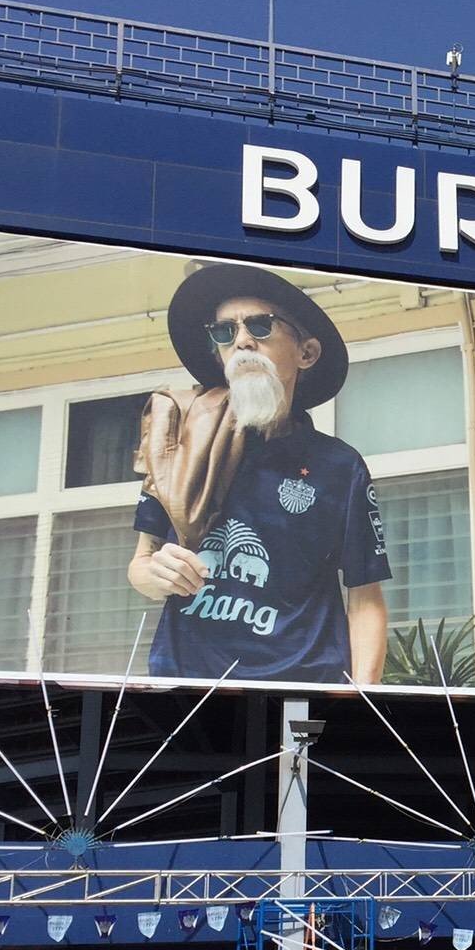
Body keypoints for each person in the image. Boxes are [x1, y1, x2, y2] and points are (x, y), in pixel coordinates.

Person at [128, 262, 393, 684]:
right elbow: (140, 565)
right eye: (225, 332)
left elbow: (365, 598)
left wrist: (361, 702)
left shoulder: (340, 467)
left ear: (305, 353)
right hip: (186, 687)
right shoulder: (181, 444)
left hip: (302, 687)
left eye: (261, 325)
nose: (243, 341)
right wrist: (158, 574)